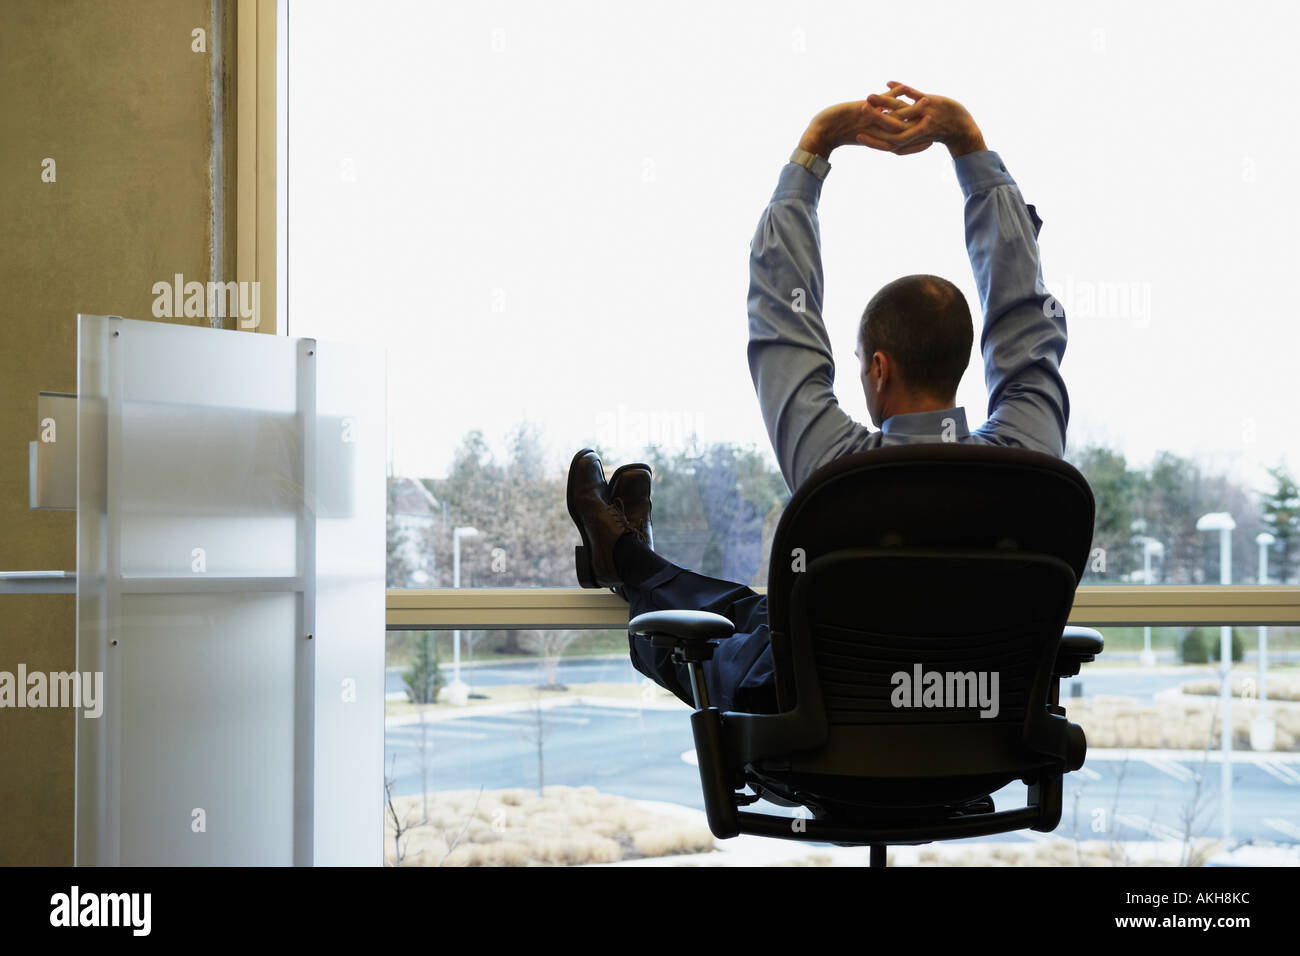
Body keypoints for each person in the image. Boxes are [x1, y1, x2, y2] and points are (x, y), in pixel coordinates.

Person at [566, 82, 1069, 715]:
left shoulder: (843, 474)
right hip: (983, 736)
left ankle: (630, 563)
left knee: (696, 633)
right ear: (966, 361)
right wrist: (967, 143)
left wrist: (814, 150)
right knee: (750, 610)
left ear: (879, 369)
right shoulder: (1032, 464)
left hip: (827, 739)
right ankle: (629, 557)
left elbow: (783, 319)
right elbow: (1027, 323)